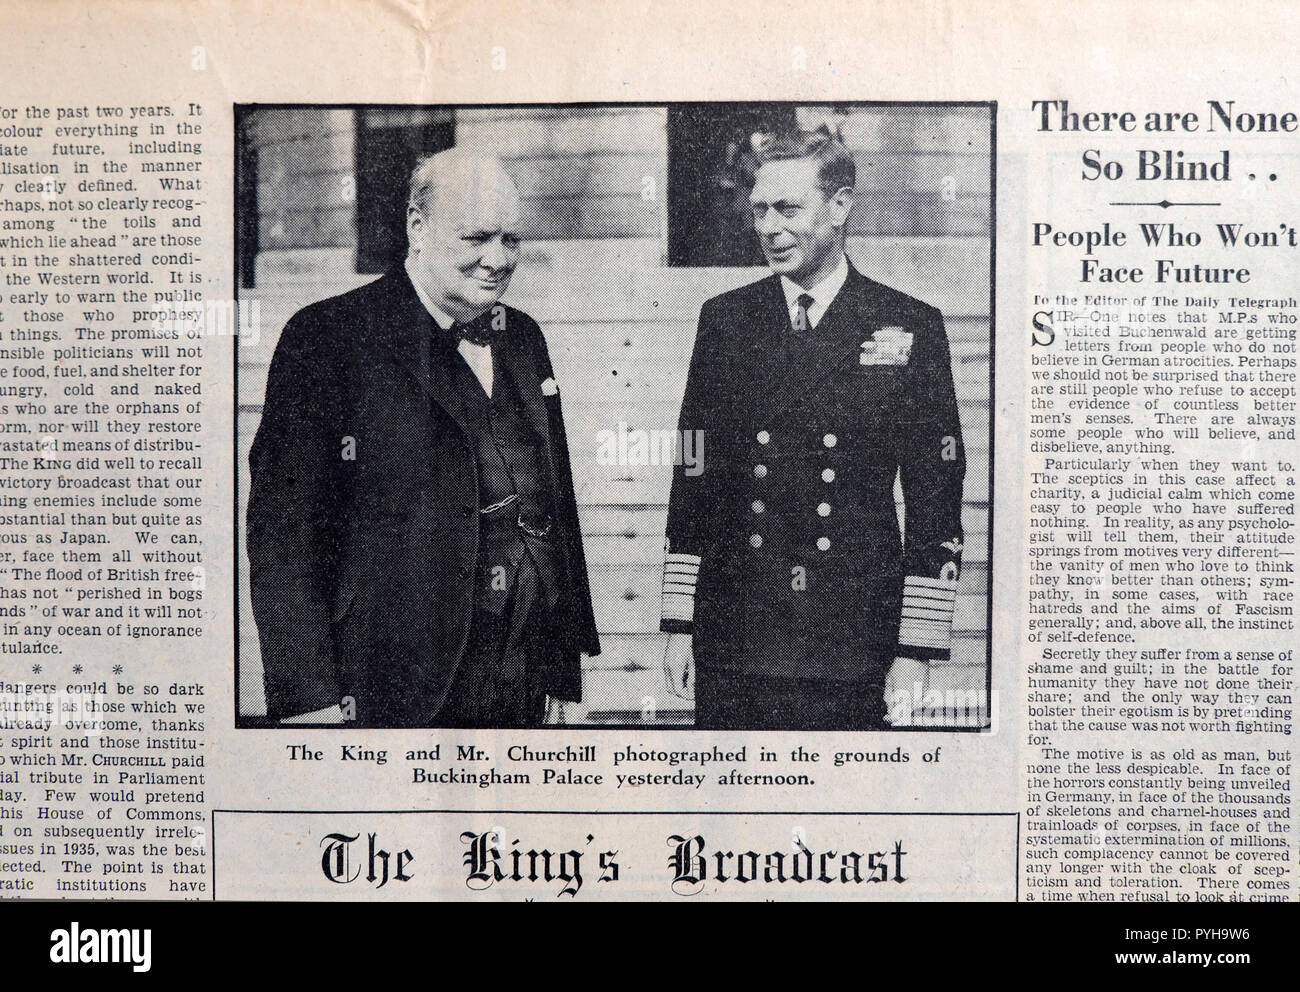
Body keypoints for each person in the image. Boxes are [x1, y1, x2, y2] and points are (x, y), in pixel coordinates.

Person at [247, 150, 599, 728]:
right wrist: (308, 697)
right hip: (390, 687)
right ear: (417, 225)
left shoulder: (524, 338)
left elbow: (553, 506)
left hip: (521, 683)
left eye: (512, 240)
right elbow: (284, 531)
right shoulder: (327, 337)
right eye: (477, 238)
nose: (498, 260)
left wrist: (561, 668)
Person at [660, 126, 965, 730]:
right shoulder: (725, 320)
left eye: (788, 209)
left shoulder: (907, 325)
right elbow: (693, 471)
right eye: (760, 210)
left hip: (850, 638)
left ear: (840, 206)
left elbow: (936, 494)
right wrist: (678, 623)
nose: (769, 228)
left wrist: (916, 647)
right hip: (736, 634)